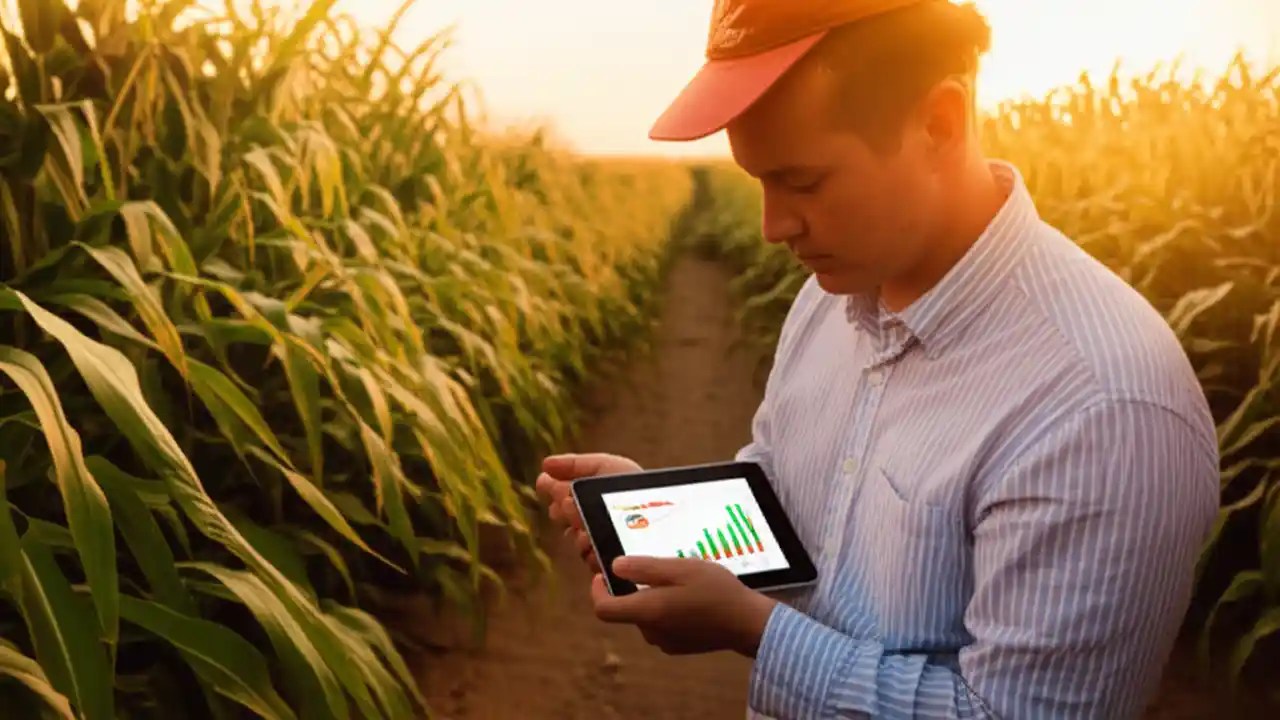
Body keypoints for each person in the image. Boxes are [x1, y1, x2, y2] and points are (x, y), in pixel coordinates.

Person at [535, 0, 1221, 717]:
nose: (774, 227)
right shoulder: (830, 297)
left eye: (804, 182)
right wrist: (664, 520)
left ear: (939, 124)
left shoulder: (1101, 406)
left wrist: (753, 632)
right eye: (757, 181)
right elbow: (794, 496)